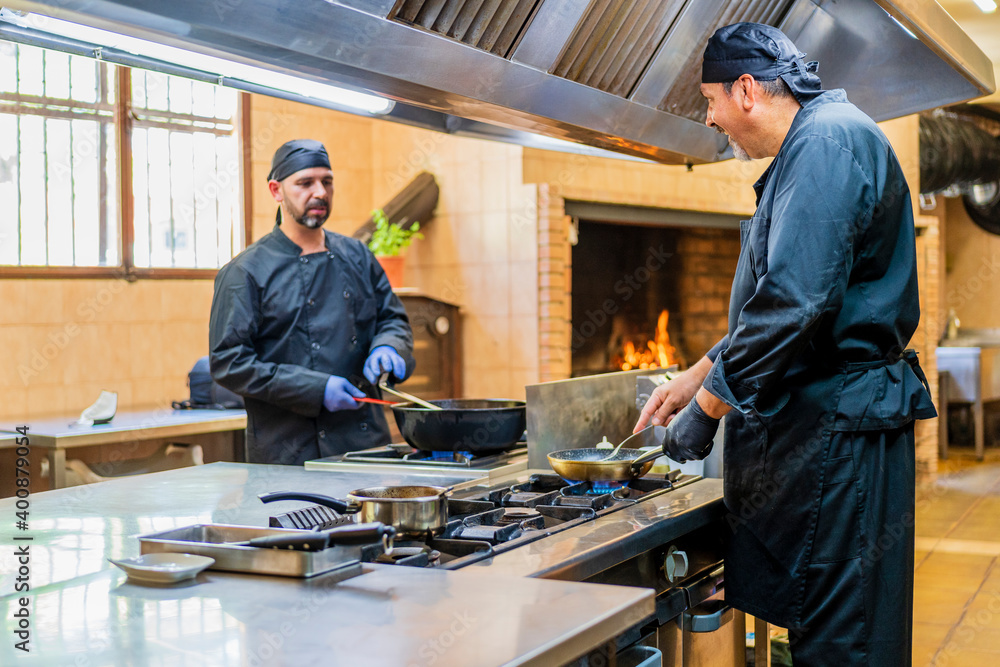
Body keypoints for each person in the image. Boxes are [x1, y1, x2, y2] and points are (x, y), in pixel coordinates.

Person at [634, 23, 936, 666]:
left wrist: (707, 411)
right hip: (833, 433)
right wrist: (699, 372)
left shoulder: (826, 142)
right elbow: (788, 293)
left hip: (842, 438)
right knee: (831, 632)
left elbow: (798, 303)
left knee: (842, 643)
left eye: (710, 101)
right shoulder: (821, 139)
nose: (710, 119)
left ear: (746, 90)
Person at [209, 139, 415, 465]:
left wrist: (389, 347)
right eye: (305, 183)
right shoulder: (245, 272)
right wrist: (314, 389)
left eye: (326, 181)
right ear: (276, 190)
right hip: (290, 456)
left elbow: (392, 319)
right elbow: (229, 362)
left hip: (367, 449)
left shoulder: (358, 255)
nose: (319, 192)